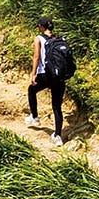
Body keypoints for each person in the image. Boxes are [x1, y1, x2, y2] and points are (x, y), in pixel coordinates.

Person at [25, 16, 64, 146]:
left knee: (31, 90)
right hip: (59, 76)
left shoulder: (39, 38)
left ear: (41, 27)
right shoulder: (58, 39)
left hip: (45, 74)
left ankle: (35, 118)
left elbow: (36, 57)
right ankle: (58, 136)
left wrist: (33, 73)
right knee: (57, 106)